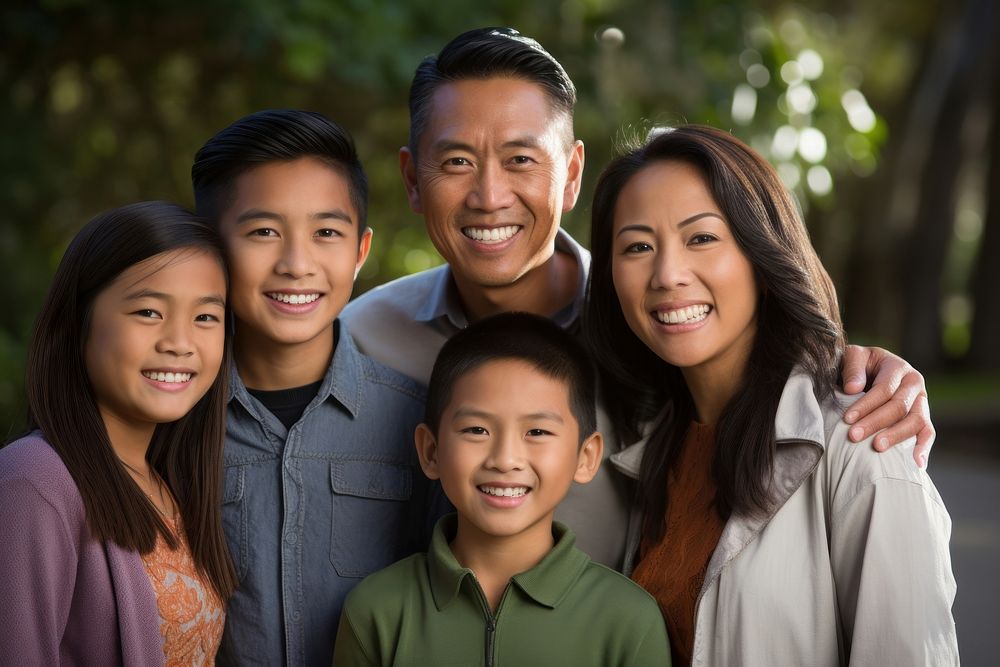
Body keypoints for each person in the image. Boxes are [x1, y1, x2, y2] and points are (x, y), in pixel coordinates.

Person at [341, 26, 936, 570]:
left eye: (521, 159)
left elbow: (767, 376)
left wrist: (862, 372)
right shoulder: (364, 339)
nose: (489, 195)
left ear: (571, 175)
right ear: (413, 180)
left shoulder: (659, 327)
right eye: (456, 162)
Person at [584, 125, 958, 665]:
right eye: (637, 246)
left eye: (702, 238)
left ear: (762, 253)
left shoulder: (863, 444)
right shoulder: (647, 442)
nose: (667, 274)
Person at [191, 110, 437, 666]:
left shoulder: (418, 422)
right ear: (209, 248)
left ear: (360, 251)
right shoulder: (170, 421)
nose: (296, 264)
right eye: (263, 232)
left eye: (326, 232)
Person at [333, 313, 670, 666]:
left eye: (537, 432)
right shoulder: (376, 610)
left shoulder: (628, 619)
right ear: (431, 451)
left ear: (586, 457)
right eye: (477, 430)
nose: (505, 459)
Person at [0, 201, 237, 665]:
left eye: (205, 317)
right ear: (78, 324)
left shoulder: (167, 483)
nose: (180, 342)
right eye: (149, 312)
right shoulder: (33, 482)